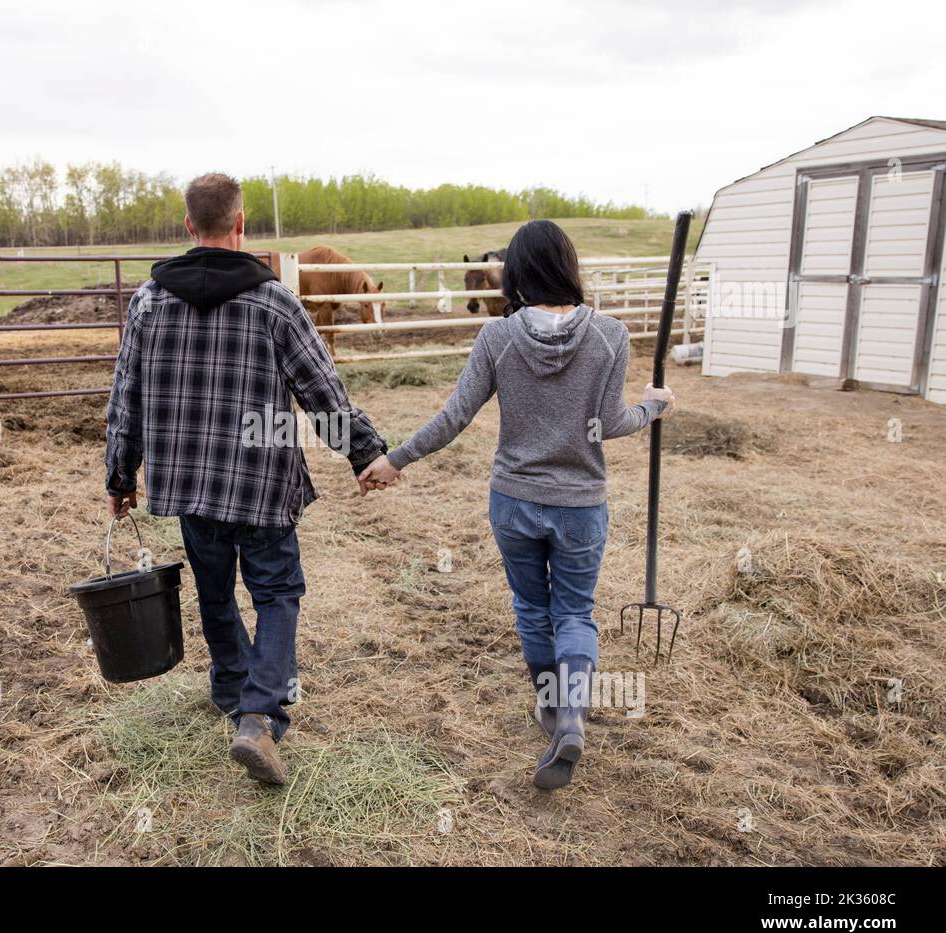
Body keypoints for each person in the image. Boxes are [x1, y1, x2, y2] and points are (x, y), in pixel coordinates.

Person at [357, 220, 673, 790]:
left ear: (516, 273)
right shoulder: (610, 336)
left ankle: (551, 709)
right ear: (567, 266)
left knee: (532, 606)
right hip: (580, 504)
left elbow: (454, 417)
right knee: (574, 612)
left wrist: (395, 459)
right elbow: (614, 424)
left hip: (514, 501)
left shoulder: (497, 338)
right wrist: (652, 407)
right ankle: (571, 713)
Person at [104, 172, 387, 786]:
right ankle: (258, 713)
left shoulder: (149, 302)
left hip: (187, 483)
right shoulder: (274, 302)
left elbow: (125, 399)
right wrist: (363, 453)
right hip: (262, 482)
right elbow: (321, 392)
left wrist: (120, 475)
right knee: (278, 592)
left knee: (213, 590)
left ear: (188, 227)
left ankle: (231, 688)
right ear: (240, 225)